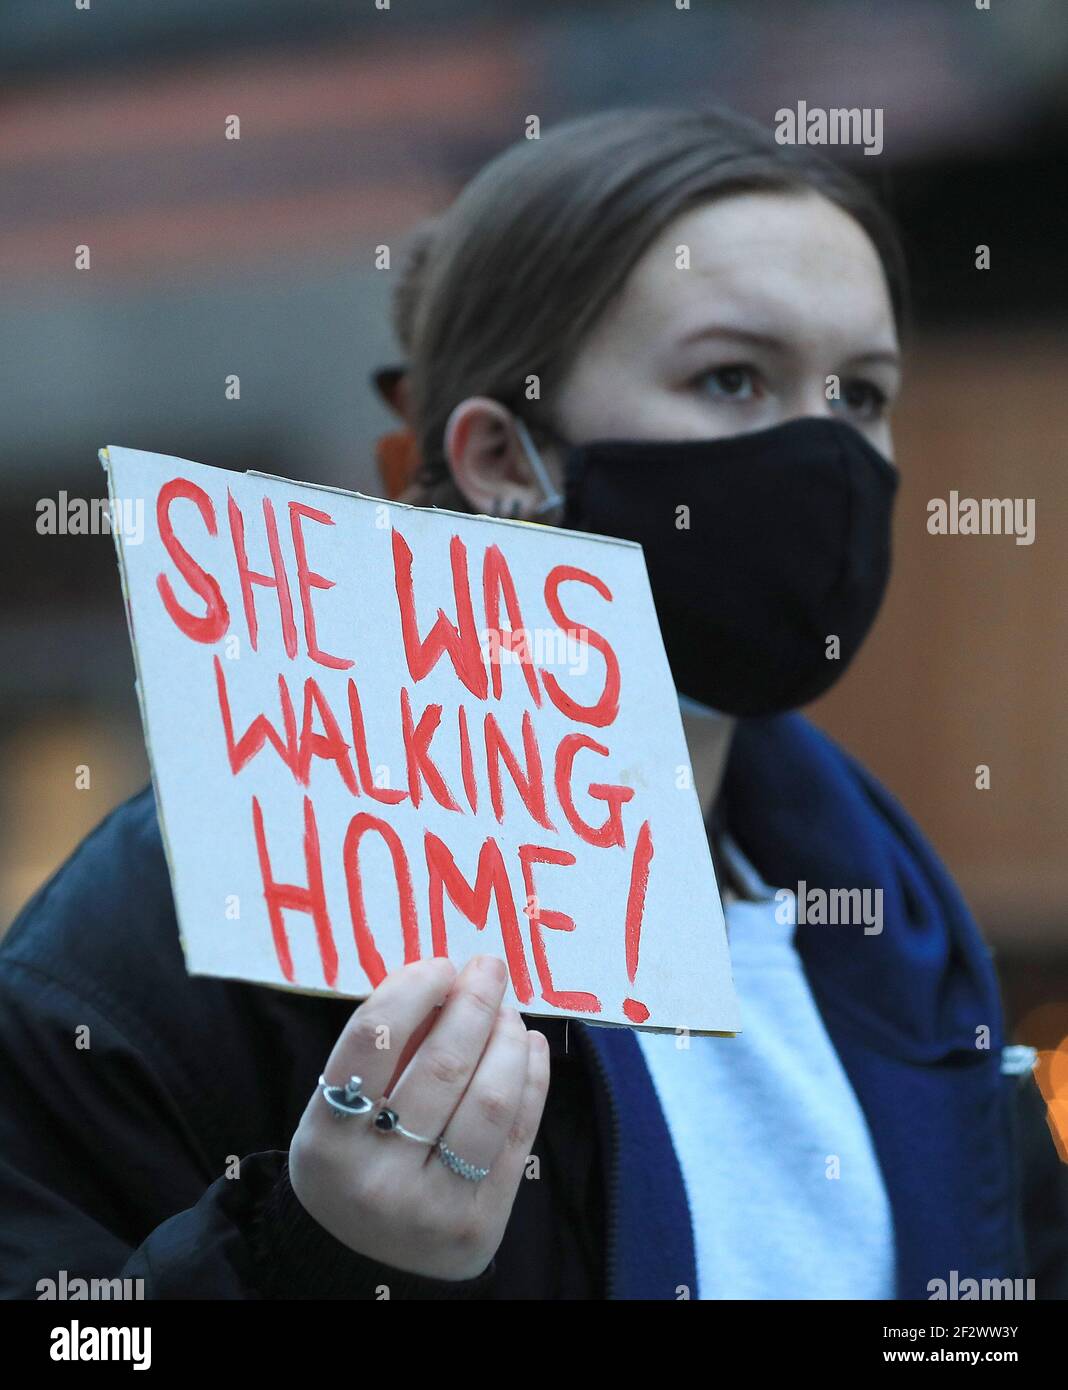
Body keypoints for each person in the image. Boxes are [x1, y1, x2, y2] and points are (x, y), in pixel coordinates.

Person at [1, 106, 1064, 1302]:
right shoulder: (176, 930)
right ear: (509, 459)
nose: (827, 454)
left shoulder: (902, 941)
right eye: (731, 376)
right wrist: (312, 1257)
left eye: (862, 393)